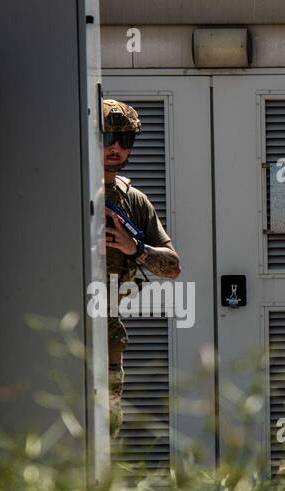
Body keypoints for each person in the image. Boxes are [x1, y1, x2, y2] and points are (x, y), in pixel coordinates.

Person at [101, 99, 180, 436]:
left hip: (106, 329)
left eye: (125, 141)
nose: (116, 148)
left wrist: (135, 249)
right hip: (59, 322)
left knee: (107, 427)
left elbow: (172, 267)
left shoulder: (134, 201)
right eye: (107, 138)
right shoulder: (62, 189)